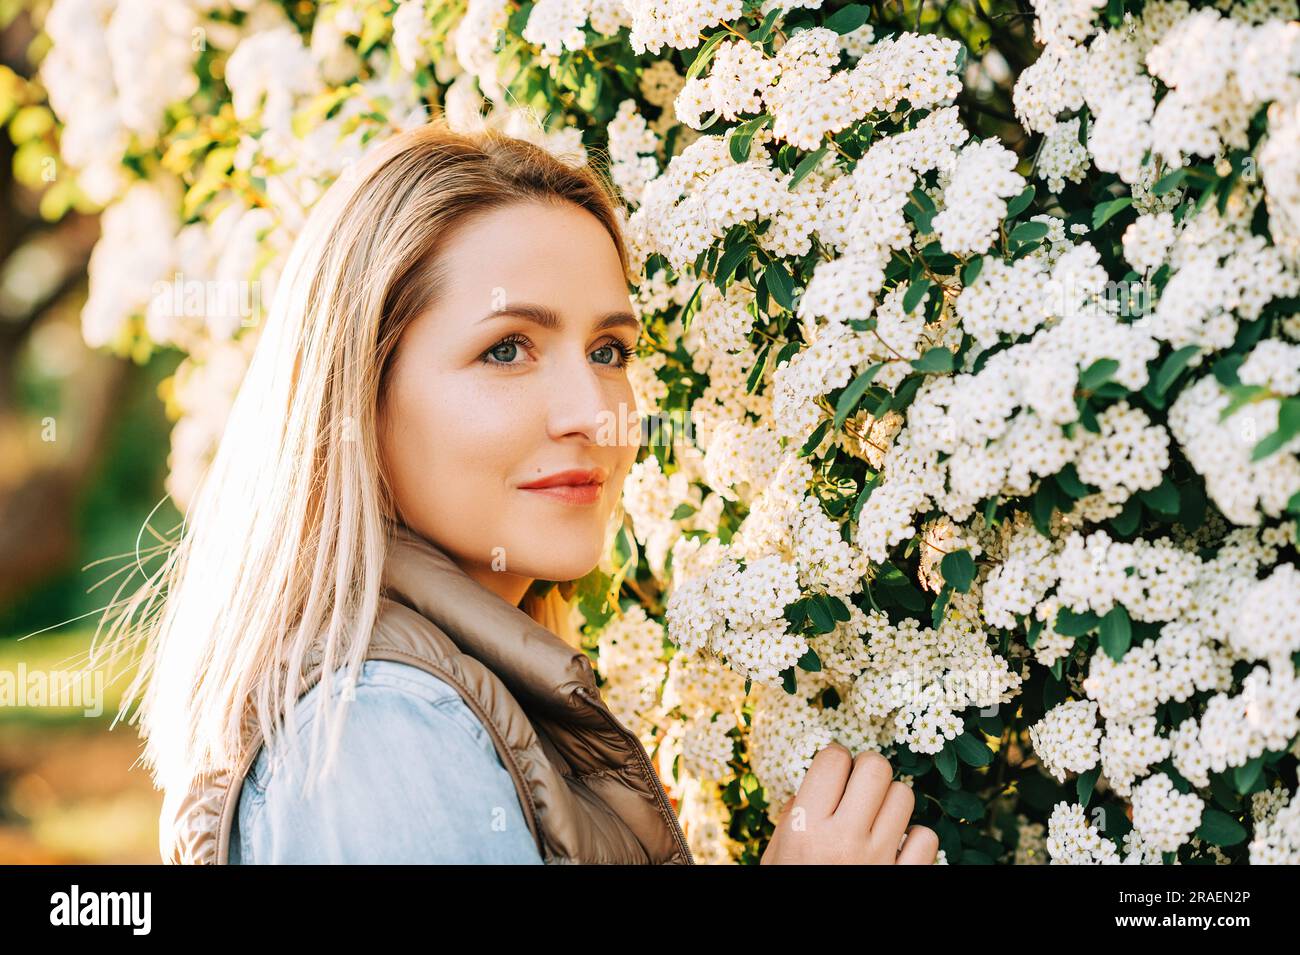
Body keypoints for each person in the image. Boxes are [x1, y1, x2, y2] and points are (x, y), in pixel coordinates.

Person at [98, 116, 939, 865]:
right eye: (507, 349)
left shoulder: (465, 691)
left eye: (608, 350)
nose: (593, 414)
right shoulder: (380, 731)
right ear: (357, 393)